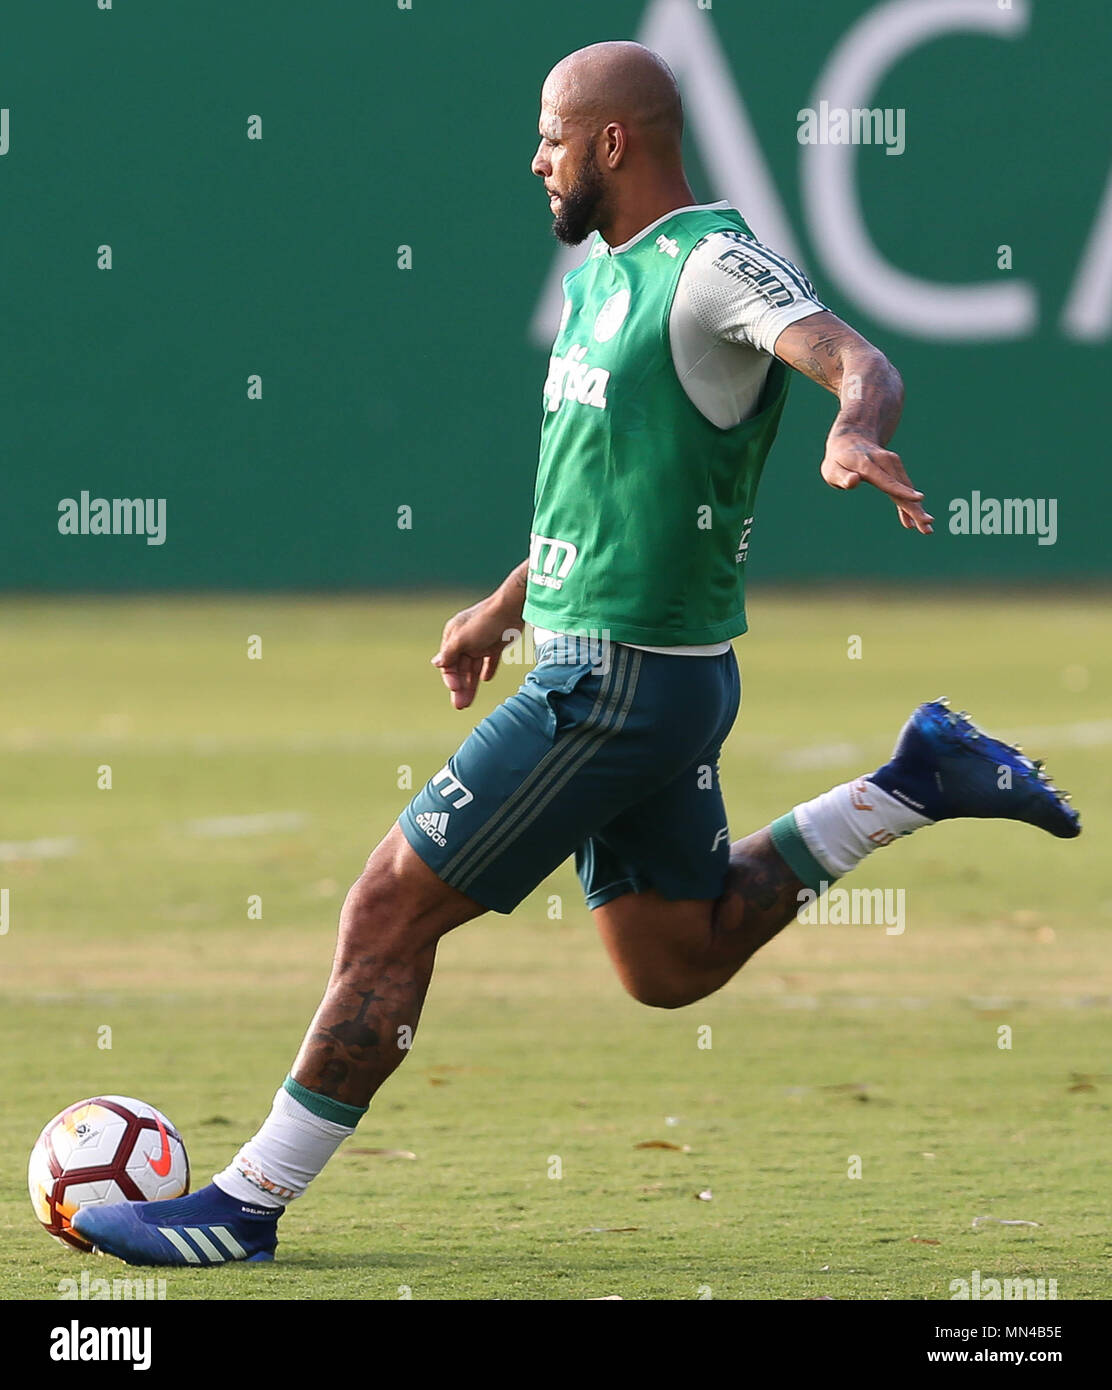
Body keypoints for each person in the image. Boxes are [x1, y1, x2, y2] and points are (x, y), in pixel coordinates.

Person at [74, 41, 1078, 1267]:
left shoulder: (707, 264)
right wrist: (505, 604)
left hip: (614, 686)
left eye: (551, 135)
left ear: (613, 142)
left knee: (388, 907)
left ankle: (243, 1206)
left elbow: (857, 359)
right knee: (670, 962)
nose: (534, 157)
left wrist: (852, 432)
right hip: (633, 670)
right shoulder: (606, 278)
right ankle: (909, 782)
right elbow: (599, 488)